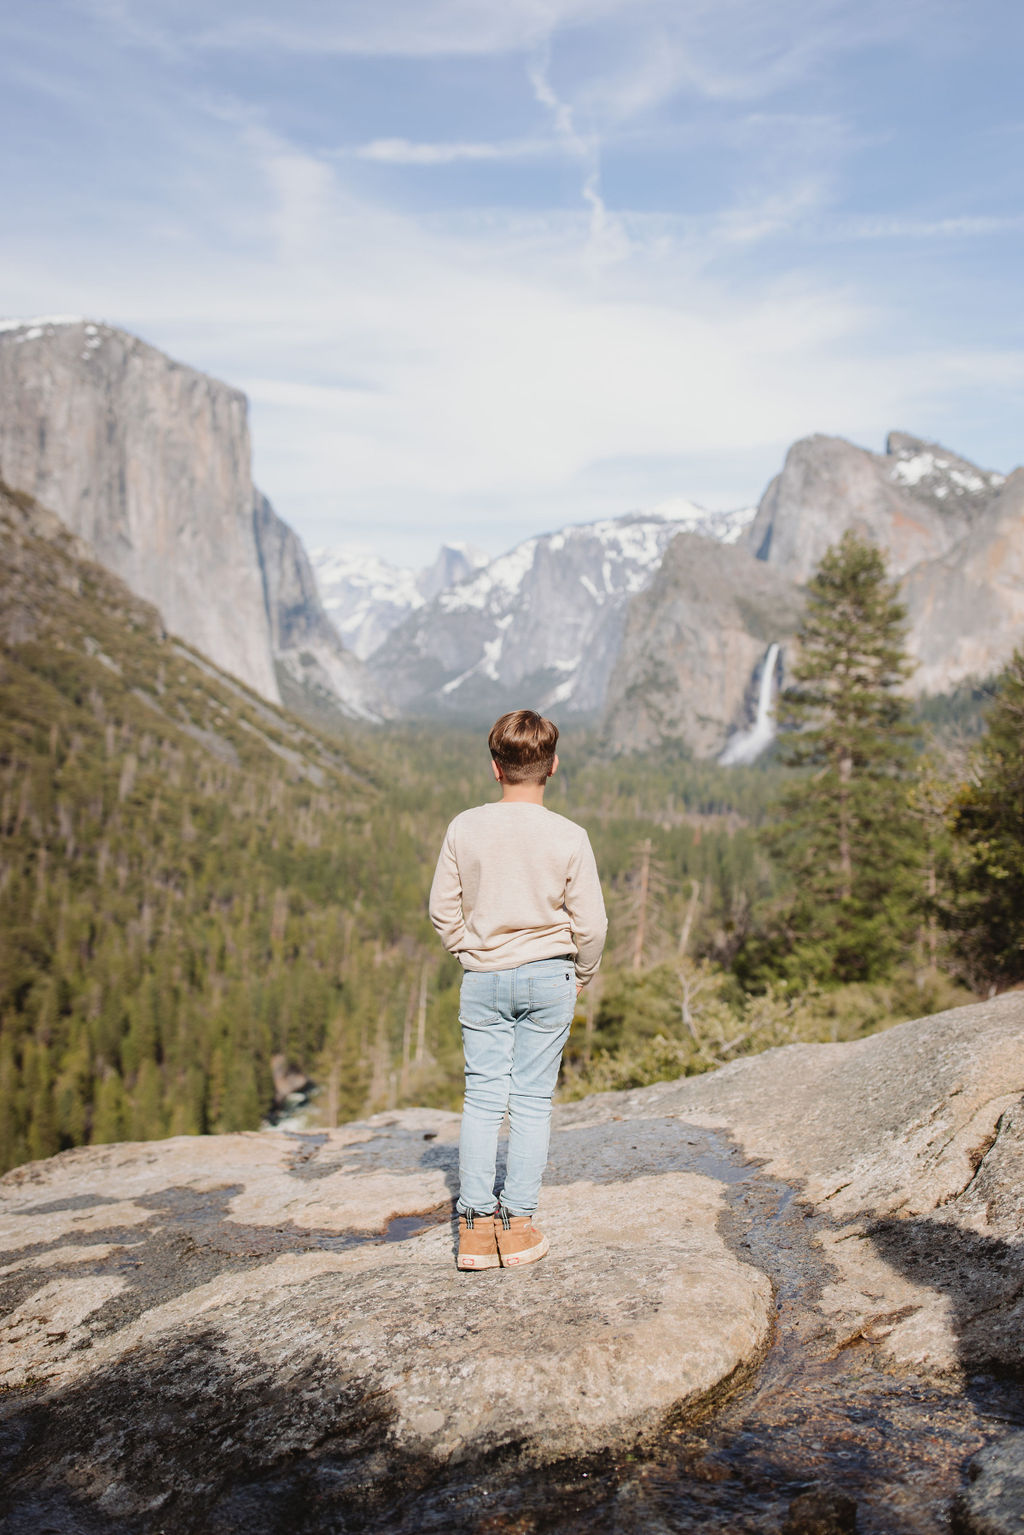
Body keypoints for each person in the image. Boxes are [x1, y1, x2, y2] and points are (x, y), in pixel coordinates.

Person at [429, 709, 607, 1270]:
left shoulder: (464, 826)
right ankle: (520, 1223)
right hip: (550, 974)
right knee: (531, 1101)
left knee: (483, 1098)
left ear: (495, 768)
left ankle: (477, 1229)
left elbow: (442, 910)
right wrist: (581, 974)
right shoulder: (570, 836)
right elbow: (593, 925)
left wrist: (469, 951)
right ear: (552, 766)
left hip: (484, 976)